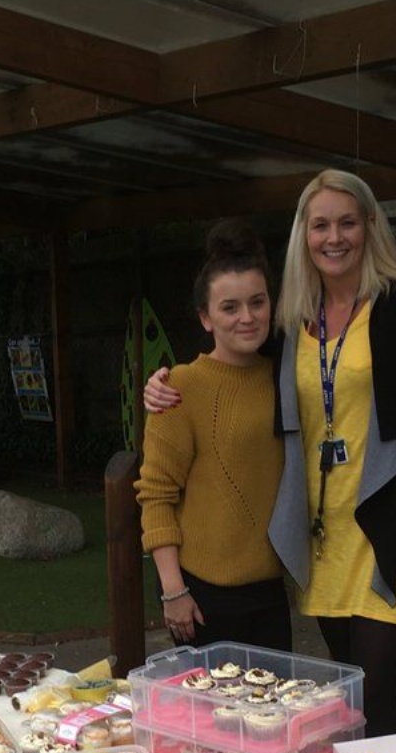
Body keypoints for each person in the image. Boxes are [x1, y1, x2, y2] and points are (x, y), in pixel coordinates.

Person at [147, 170, 396, 734]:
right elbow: (233, 350)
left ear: (370, 225)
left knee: (375, 697)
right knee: (348, 699)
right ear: (304, 233)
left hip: (388, 528)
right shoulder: (294, 317)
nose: (334, 236)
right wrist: (164, 384)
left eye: (347, 222)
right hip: (323, 536)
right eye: (320, 224)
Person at [135, 221, 290, 652]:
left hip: (271, 591)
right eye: (230, 307)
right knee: (210, 720)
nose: (247, 317)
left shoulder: (287, 377)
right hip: (202, 597)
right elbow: (156, 495)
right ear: (206, 317)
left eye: (257, 303)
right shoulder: (180, 387)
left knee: (273, 718)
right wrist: (173, 591)